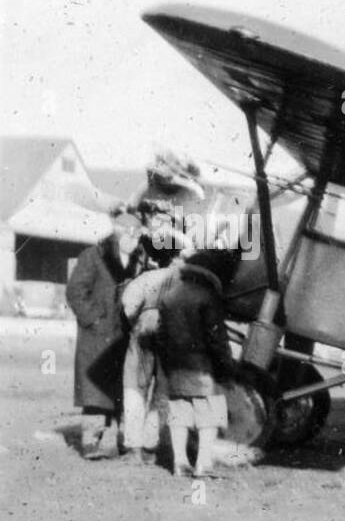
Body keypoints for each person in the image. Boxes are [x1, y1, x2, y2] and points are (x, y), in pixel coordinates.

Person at [65, 205, 148, 458]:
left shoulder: (139, 261)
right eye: (131, 237)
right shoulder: (93, 255)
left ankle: (122, 442)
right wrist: (94, 320)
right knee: (95, 394)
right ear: (118, 235)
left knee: (123, 389)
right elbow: (75, 291)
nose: (135, 242)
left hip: (124, 336)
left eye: (138, 237)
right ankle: (91, 444)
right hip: (97, 337)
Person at [119, 203, 195, 464]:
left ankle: (133, 449)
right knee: (163, 393)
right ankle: (151, 447)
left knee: (134, 389)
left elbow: (128, 306)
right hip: (173, 338)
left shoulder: (146, 279)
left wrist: (137, 323)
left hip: (143, 333)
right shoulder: (187, 283)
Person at [156, 249, 239, 477]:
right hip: (202, 370)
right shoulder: (208, 297)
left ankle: (180, 463)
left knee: (179, 415)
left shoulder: (169, 296)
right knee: (209, 417)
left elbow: (161, 337)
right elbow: (217, 341)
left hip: (175, 367)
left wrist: (167, 365)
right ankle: (203, 464)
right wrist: (227, 369)